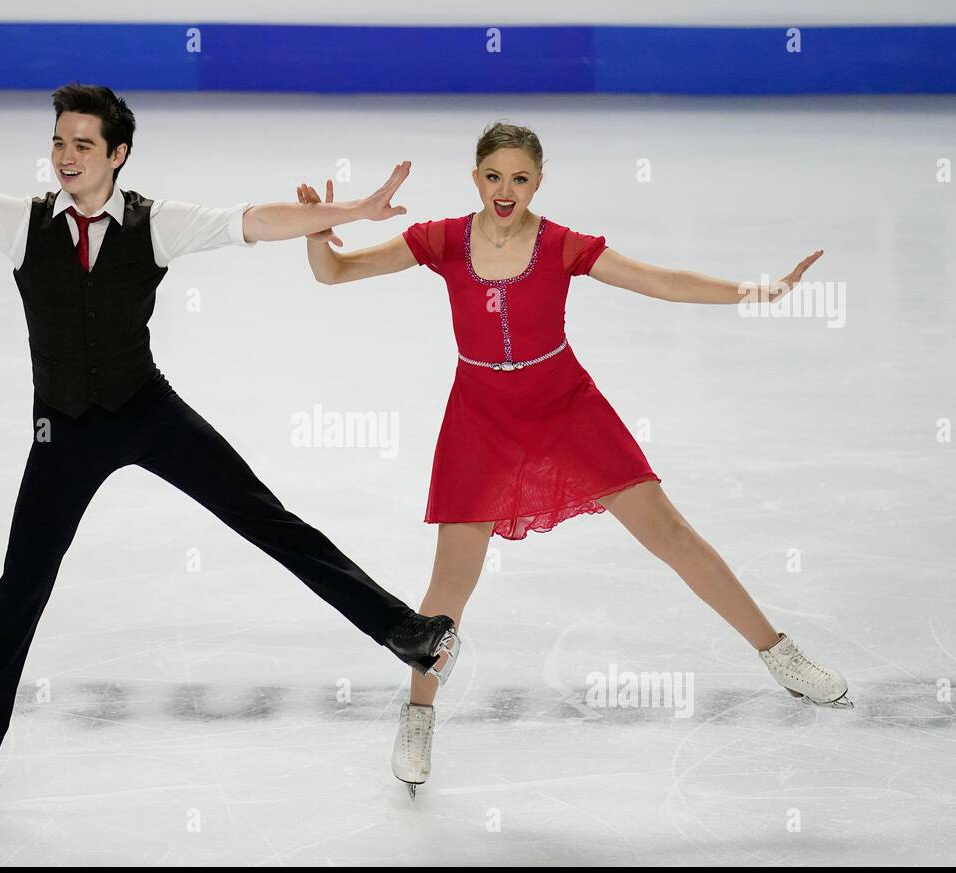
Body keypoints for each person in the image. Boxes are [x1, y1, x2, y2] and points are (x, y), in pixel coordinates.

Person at [0, 84, 460, 819]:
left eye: (83, 145)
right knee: (21, 587)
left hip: (144, 409)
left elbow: (252, 221)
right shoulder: (21, 222)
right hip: (61, 431)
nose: (66, 156)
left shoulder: (154, 224)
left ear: (117, 154)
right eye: (60, 142)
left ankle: (403, 630)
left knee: (265, 518)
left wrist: (346, 212)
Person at [296, 121, 851, 799]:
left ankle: (782, 655)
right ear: (475, 178)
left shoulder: (560, 245)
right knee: (449, 589)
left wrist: (752, 291)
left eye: (520, 178)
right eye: (494, 177)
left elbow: (660, 281)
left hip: (565, 405)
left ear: (538, 181)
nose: (506, 190)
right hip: (481, 415)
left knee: (671, 534)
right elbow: (334, 273)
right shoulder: (441, 240)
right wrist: (314, 233)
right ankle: (418, 714)